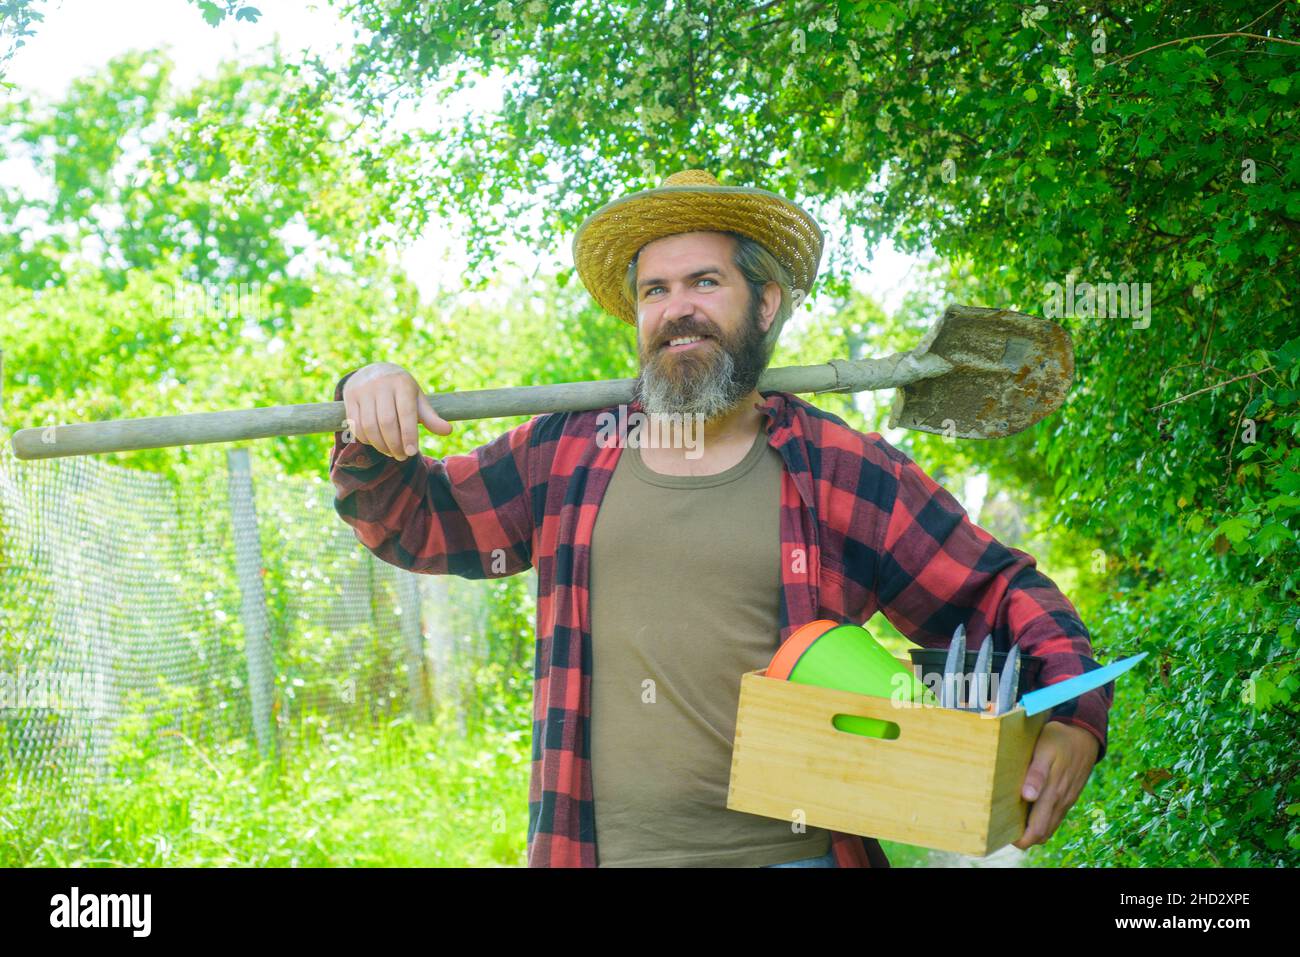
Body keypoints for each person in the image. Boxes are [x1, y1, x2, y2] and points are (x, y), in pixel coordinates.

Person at [329, 169, 1111, 867]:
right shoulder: (565, 451)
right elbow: (412, 520)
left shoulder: (838, 469)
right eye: (655, 291)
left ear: (764, 303)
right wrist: (369, 401)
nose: (677, 311)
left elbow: (997, 592)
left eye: (704, 282)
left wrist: (1073, 714)